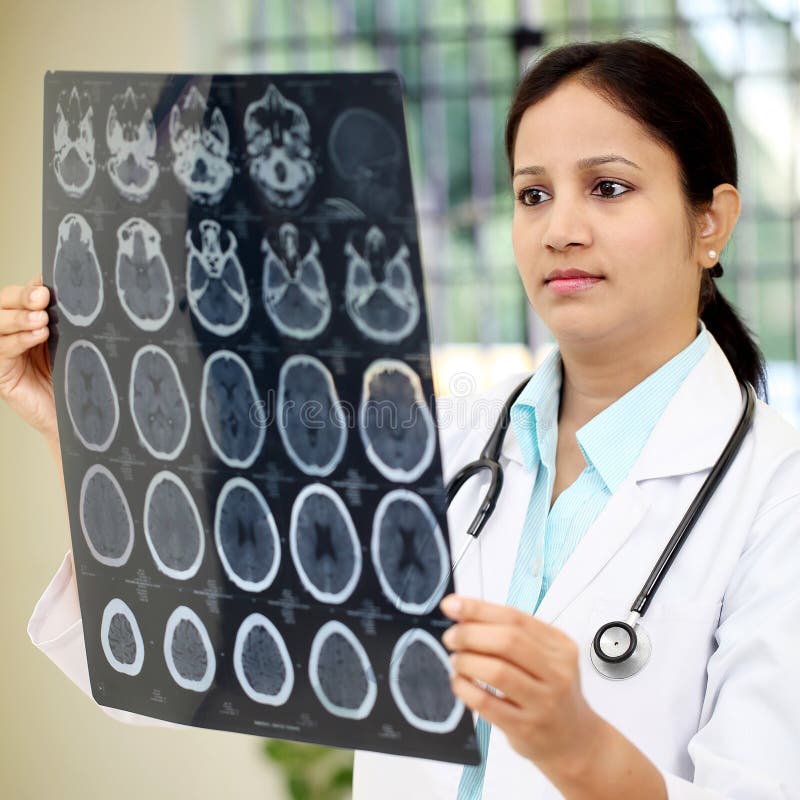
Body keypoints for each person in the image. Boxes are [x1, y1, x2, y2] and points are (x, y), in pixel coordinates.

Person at [4, 37, 799, 799]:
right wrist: (77, 433)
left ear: (712, 222)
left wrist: (581, 749)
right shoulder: (436, 443)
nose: (560, 230)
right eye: (533, 194)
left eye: (609, 187)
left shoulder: (777, 496)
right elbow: (193, 663)